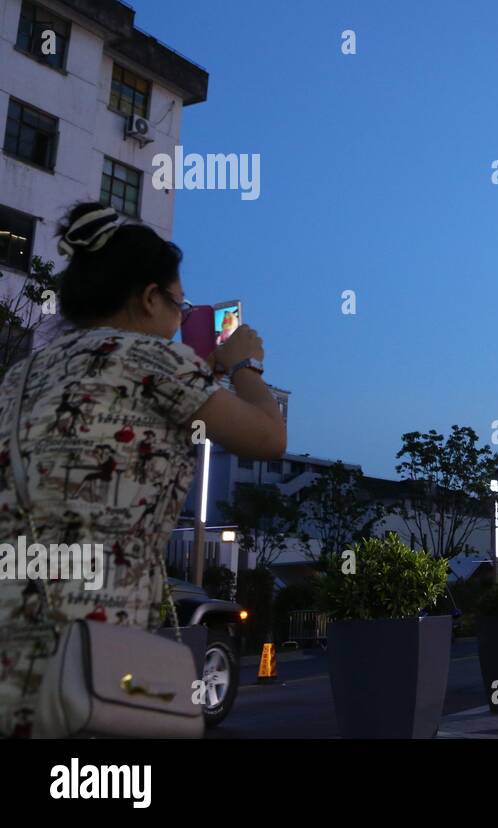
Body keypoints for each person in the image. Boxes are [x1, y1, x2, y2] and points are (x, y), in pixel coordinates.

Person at [0, 203, 287, 738]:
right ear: (150, 297)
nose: (180, 320)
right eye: (180, 305)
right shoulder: (155, 360)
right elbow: (268, 437)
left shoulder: (23, 373)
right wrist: (244, 364)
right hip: (87, 651)